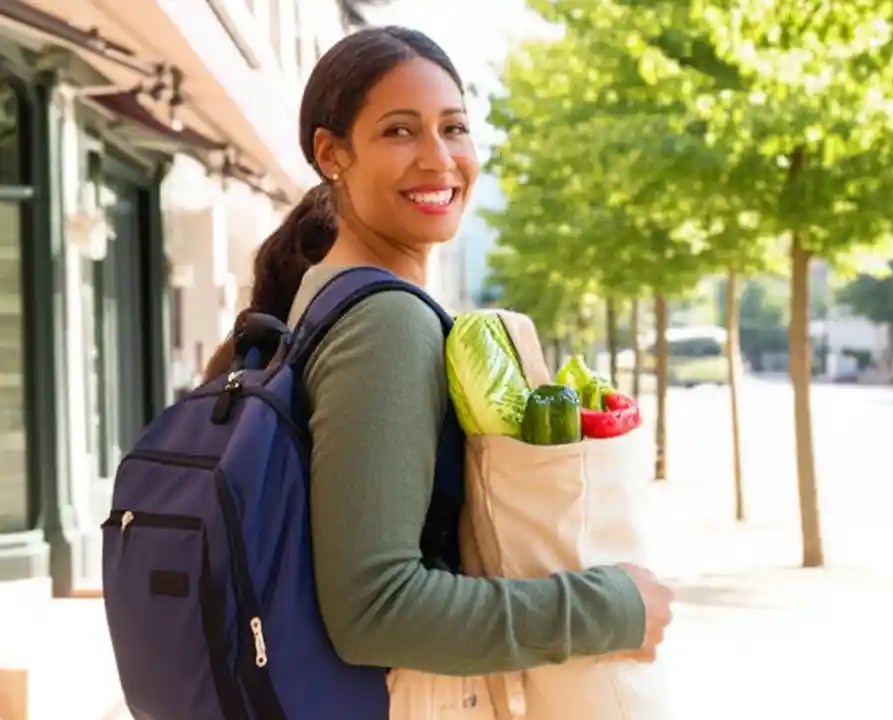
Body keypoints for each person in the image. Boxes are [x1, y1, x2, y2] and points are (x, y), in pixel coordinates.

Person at [202, 25, 673, 713]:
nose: (439, 158)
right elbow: (376, 610)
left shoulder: (322, 297)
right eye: (399, 131)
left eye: (453, 127)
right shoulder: (386, 323)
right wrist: (613, 607)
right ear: (332, 155)